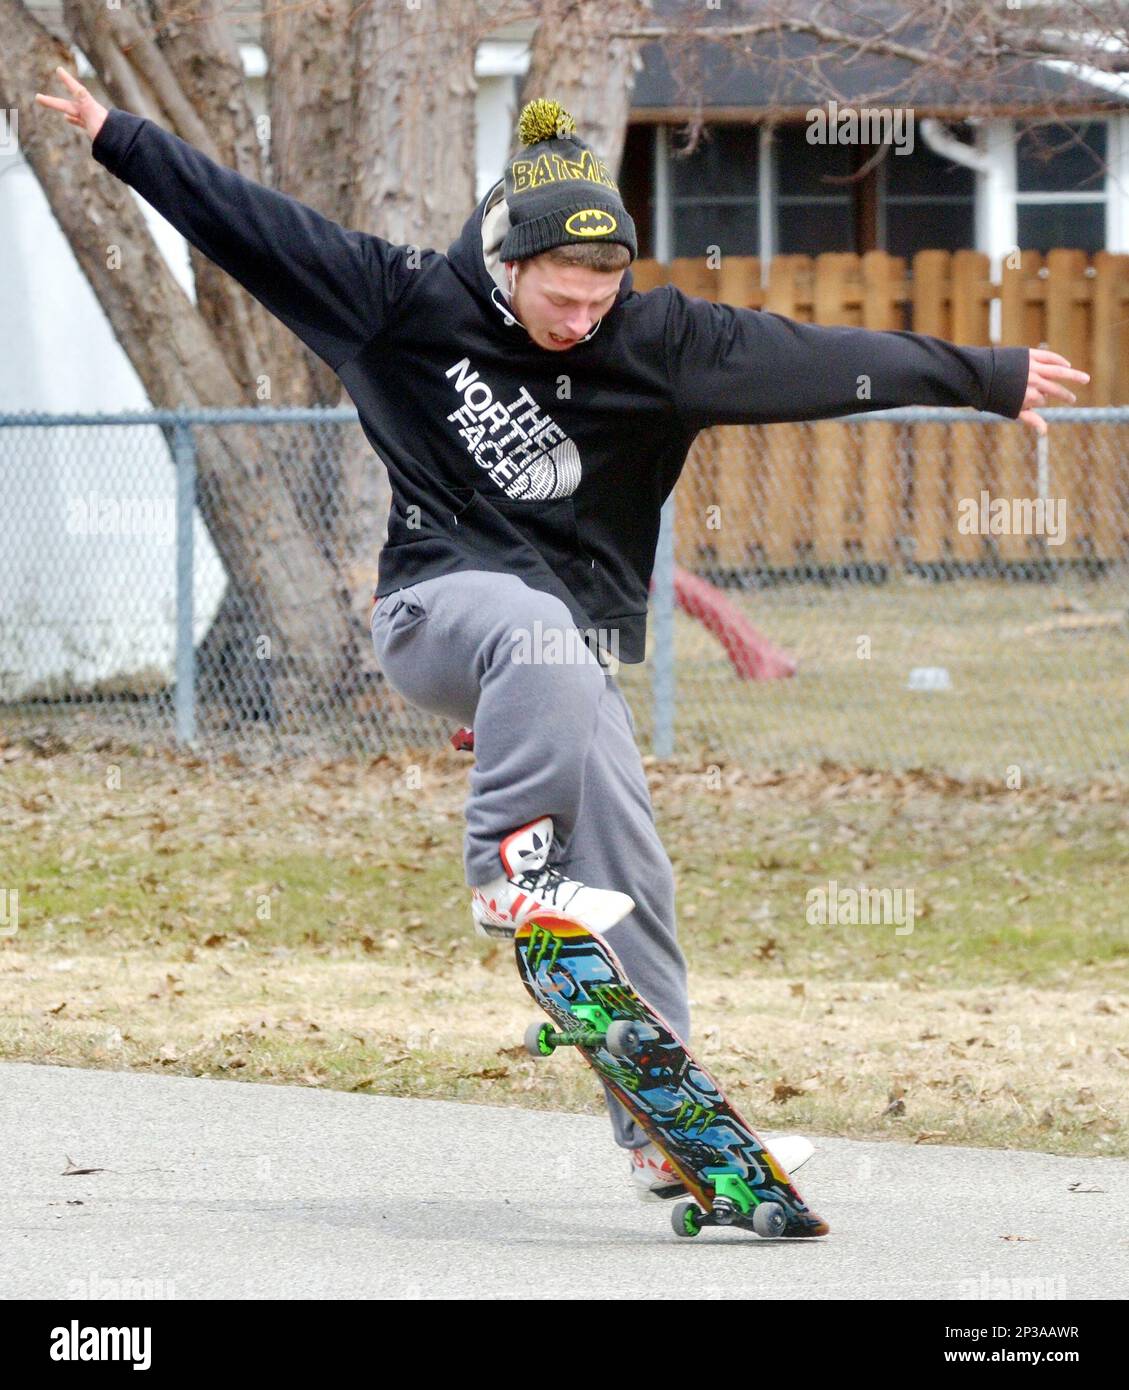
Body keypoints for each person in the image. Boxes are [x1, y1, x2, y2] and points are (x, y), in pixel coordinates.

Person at [37, 72, 1087, 1201]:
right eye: (561, 302)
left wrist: (981, 377)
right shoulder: (399, 303)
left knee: (634, 862)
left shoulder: (660, 342)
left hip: (556, 665)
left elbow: (814, 360)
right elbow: (251, 226)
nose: (582, 324)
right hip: (432, 615)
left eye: (601, 301)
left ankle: (666, 1126)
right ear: (505, 263)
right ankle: (506, 863)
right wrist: (121, 136)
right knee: (534, 628)